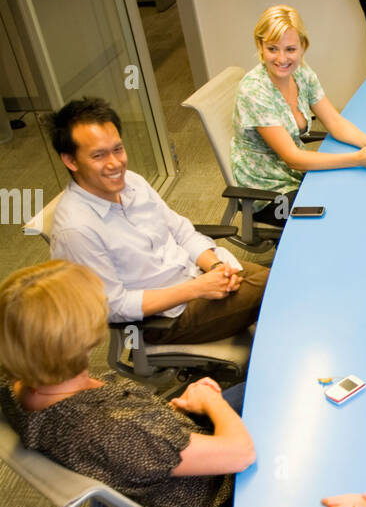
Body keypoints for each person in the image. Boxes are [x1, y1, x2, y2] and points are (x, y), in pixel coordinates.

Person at [0, 261, 255, 507]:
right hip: (219, 498)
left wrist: (169, 415)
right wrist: (211, 402)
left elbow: (142, 437)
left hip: (165, 441)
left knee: (267, 388)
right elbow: (241, 453)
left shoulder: (17, 383)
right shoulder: (112, 430)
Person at [49, 97, 268, 347]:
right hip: (167, 317)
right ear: (70, 161)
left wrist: (215, 267)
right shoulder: (76, 230)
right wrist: (197, 289)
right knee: (278, 286)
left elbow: (182, 232)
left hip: (195, 275)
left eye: (118, 149)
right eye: (99, 155)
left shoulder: (132, 182)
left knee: (280, 275)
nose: (115, 163)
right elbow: (113, 306)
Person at [231, 5, 366, 223]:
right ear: (260, 46)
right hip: (268, 193)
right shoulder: (254, 91)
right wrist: (358, 159)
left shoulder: (301, 73)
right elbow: (293, 159)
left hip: (297, 175)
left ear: (303, 46)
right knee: (340, 214)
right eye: (272, 49)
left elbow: (334, 121)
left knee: (357, 190)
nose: (282, 58)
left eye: (290, 49)